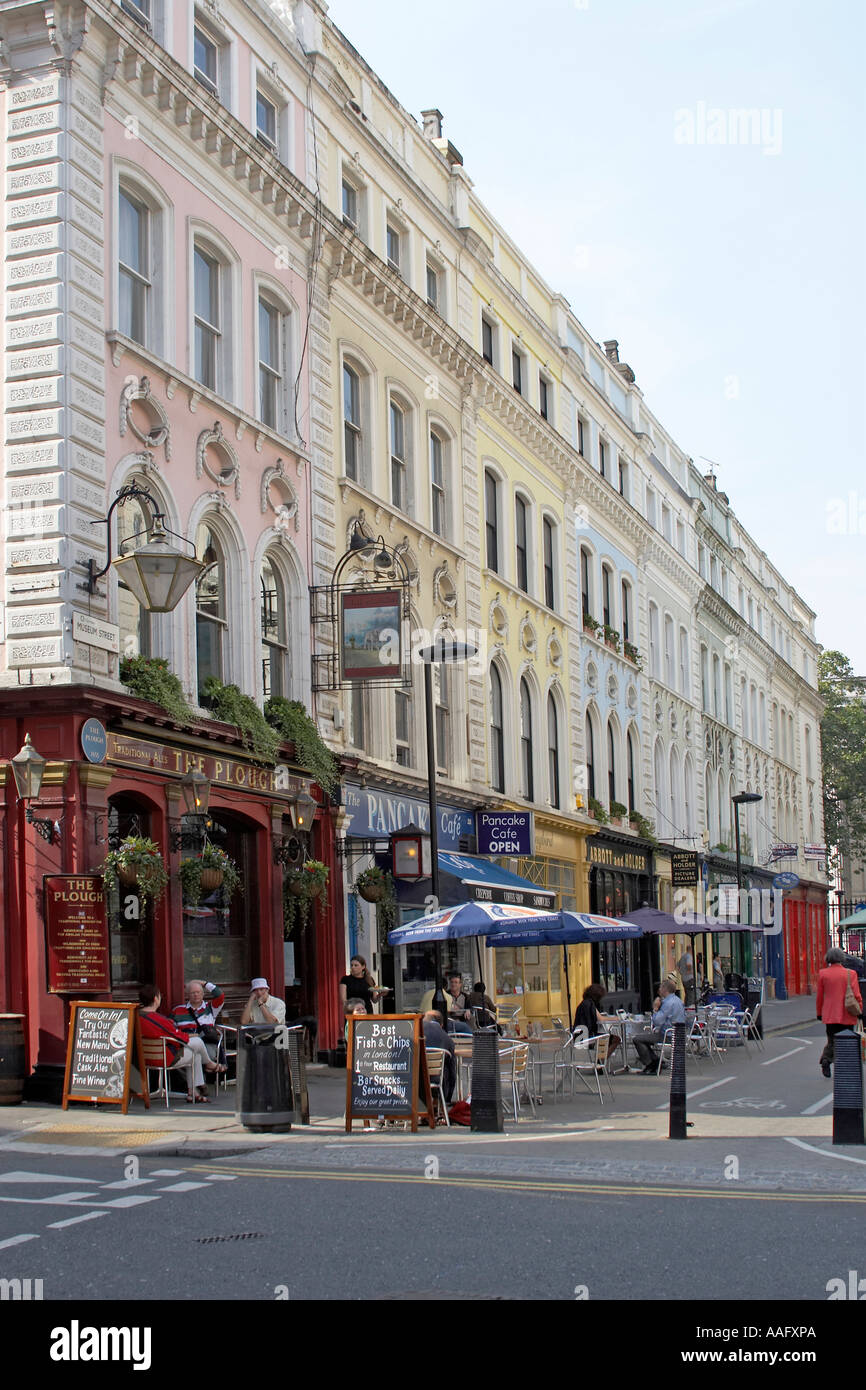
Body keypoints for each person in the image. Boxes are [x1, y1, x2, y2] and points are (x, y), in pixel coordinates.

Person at [138, 984, 224, 1102]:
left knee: (196, 1048)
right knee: (196, 1048)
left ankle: (193, 1091)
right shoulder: (161, 1020)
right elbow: (178, 1038)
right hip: (164, 1058)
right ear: (155, 999)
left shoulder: (135, 1017)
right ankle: (207, 1067)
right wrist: (190, 1036)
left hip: (143, 1059)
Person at [816, 947, 863, 1078]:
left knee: (832, 1040)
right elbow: (856, 994)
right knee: (846, 1041)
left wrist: (820, 1013)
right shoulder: (850, 974)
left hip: (830, 1014)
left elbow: (820, 997)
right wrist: (859, 1010)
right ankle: (844, 1067)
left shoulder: (823, 974)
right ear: (842, 958)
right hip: (847, 1013)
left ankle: (826, 1059)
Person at [631, 980, 687, 1074]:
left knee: (637, 1039)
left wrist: (655, 1008)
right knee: (646, 1039)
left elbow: (657, 1021)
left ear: (665, 989)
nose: (659, 990)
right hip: (679, 1034)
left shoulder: (667, 1003)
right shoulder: (678, 1001)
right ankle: (655, 1060)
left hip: (668, 1036)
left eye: (661, 988)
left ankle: (651, 1064)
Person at [172, 979, 225, 1063]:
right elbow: (171, 1029)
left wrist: (203, 983)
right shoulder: (177, 1010)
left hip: (207, 1043)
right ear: (187, 995)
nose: (196, 995)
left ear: (203, 994)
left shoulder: (211, 1008)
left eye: (198, 992)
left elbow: (220, 995)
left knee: (204, 1056)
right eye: (193, 993)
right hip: (186, 1044)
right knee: (181, 1058)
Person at [572, 984, 621, 1056]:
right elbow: (601, 1019)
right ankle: (600, 1061)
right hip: (587, 1038)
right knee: (616, 1039)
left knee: (606, 1037)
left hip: (578, 1037)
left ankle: (599, 1061)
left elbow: (598, 1016)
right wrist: (617, 1018)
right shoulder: (590, 1004)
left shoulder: (584, 1003)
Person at [422, 1009, 456, 1102]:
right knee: (446, 1068)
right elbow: (452, 1070)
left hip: (415, 1079)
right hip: (436, 1081)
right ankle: (440, 1104)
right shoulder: (447, 1038)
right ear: (441, 1025)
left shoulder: (414, 1032)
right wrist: (448, 1098)